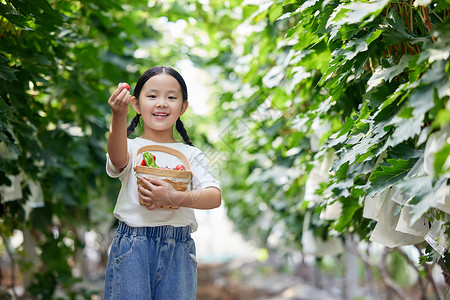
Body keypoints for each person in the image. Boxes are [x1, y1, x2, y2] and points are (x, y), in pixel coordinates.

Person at [104, 65, 221, 299]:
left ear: (183, 106)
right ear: (136, 104)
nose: (161, 103)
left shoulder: (190, 154)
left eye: (171, 97)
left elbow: (213, 196)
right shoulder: (131, 147)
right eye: (152, 96)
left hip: (179, 248)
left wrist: (173, 197)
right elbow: (117, 160)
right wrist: (118, 116)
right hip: (132, 247)